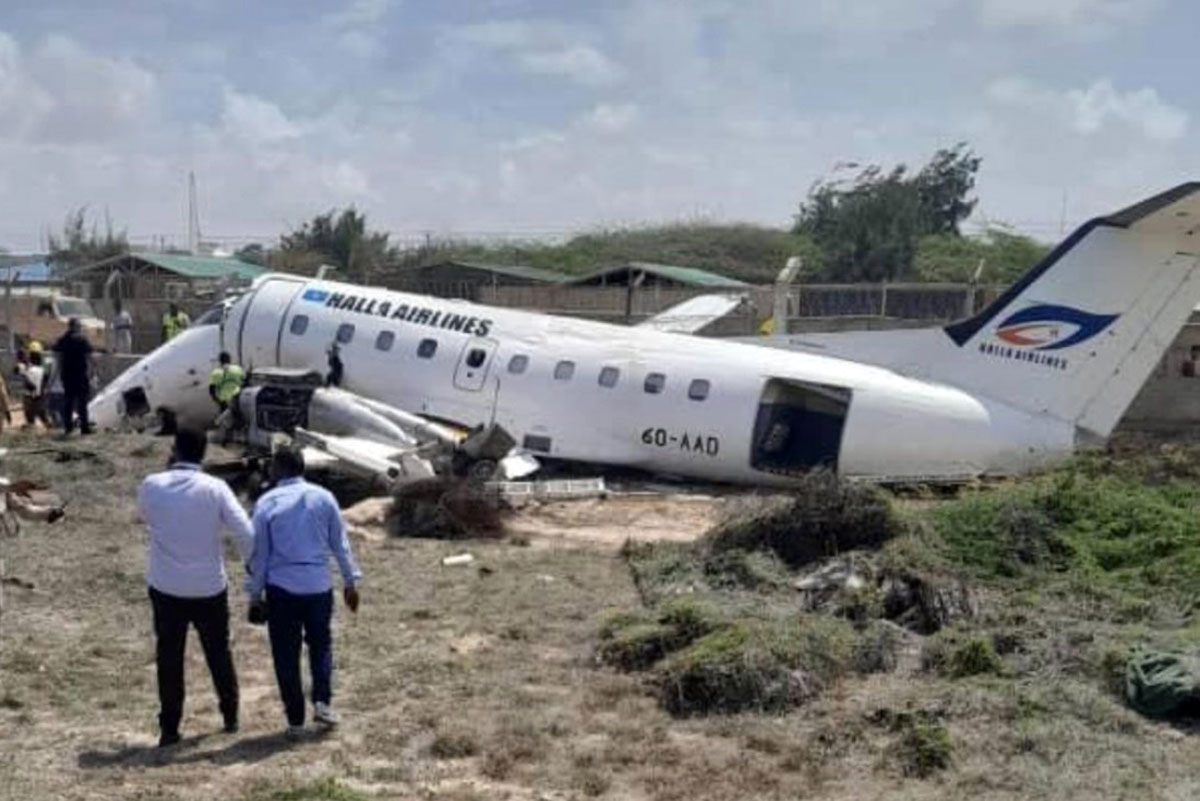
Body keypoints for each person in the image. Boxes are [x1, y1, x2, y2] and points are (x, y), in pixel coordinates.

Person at [137, 428, 254, 747]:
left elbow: (144, 517)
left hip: (166, 586)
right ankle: (230, 715)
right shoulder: (216, 488)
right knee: (218, 652)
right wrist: (254, 569)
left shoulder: (152, 485)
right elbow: (245, 532)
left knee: (169, 657)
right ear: (204, 454)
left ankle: (170, 727)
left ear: (173, 450)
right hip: (208, 586)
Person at [247, 446, 361, 738]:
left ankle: (295, 719)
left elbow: (260, 556)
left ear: (277, 469)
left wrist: (255, 594)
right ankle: (322, 701)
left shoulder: (267, 502)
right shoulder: (324, 498)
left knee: (286, 654)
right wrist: (350, 581)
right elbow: (340, 544)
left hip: (282, 589)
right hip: (318, 586)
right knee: (321, 645)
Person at [51, 318, 93, 435]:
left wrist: (58, 372)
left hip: (68, 376)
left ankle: (68, 427)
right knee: (82, 403)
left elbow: (56, 354)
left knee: (68, 401)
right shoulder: (82, 339)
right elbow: (89, 356)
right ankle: (84, 427)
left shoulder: (63, 340)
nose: (80, 328)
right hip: (81, 375)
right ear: (75, 327)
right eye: (79, 326)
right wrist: (93, 372)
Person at [19, 350, 51, 429]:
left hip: (29, 398)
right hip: (40, 398)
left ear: (31, 360)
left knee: (30, 422)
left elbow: (27, 384)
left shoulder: (28, 370)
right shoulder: (43, 371)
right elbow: (45, 384)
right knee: (45, 420)